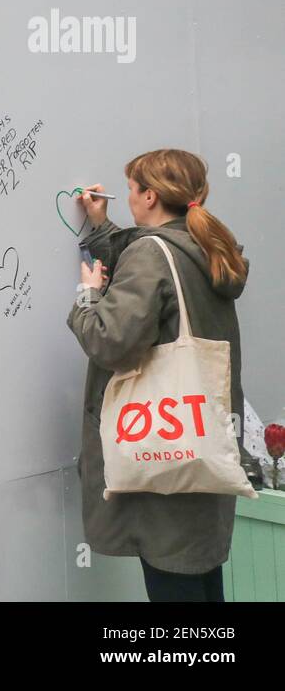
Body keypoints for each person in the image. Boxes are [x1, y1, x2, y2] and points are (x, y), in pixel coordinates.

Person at [66, 149, 251, 602]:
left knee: (174, 587)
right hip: (200, 441)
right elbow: (160, 271)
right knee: (201, 580)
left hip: (162, 454)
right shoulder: (205, 244)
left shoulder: (153, 253)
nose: (126, 197)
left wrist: (87, 298)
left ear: (149, 196)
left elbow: (111, 341)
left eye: (130, 189)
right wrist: (105, 228)